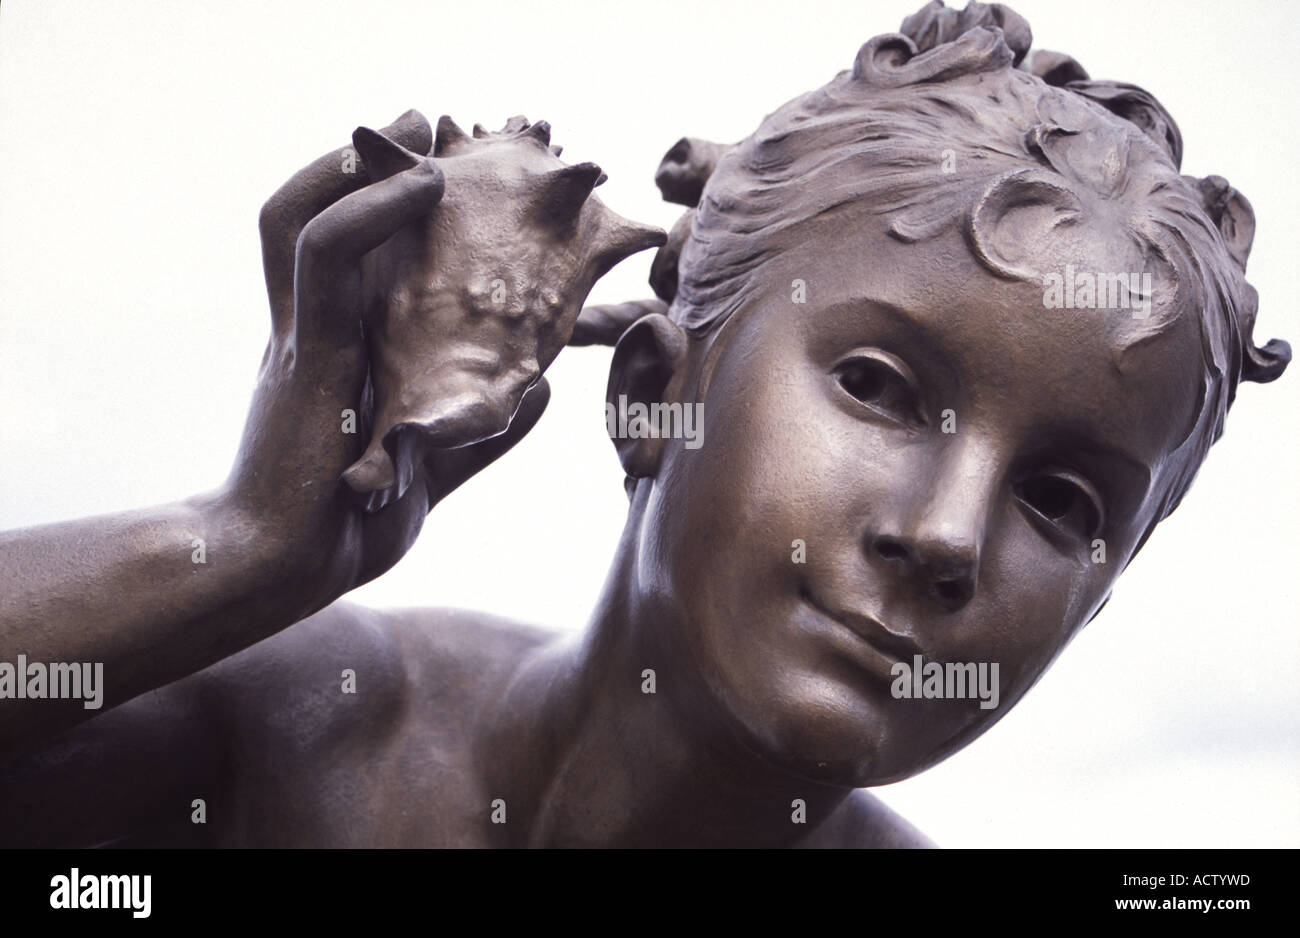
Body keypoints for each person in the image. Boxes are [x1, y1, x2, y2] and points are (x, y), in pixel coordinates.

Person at [0, 1, 1288, 847]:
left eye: (1063, 504)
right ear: (653, 394)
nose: (948, 536)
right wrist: (243, 546)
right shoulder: (286, 744)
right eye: (879, 389)